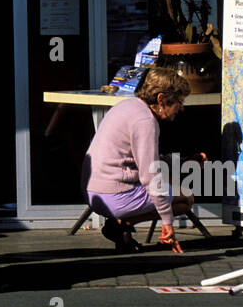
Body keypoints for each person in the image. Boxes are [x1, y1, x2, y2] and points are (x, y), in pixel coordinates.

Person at [81, 66, 195, 254]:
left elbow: (138, 158)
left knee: (168, 186)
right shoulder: (146, 122)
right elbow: (150, 176)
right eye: (178, 101)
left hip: (94, 191)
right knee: (186, 198)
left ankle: (120, 226)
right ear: (161, 99)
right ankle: (121, 224)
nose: (181, 108)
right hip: (113, 195)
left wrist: (181, 162)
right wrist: (167, 222)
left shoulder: (127, 106)